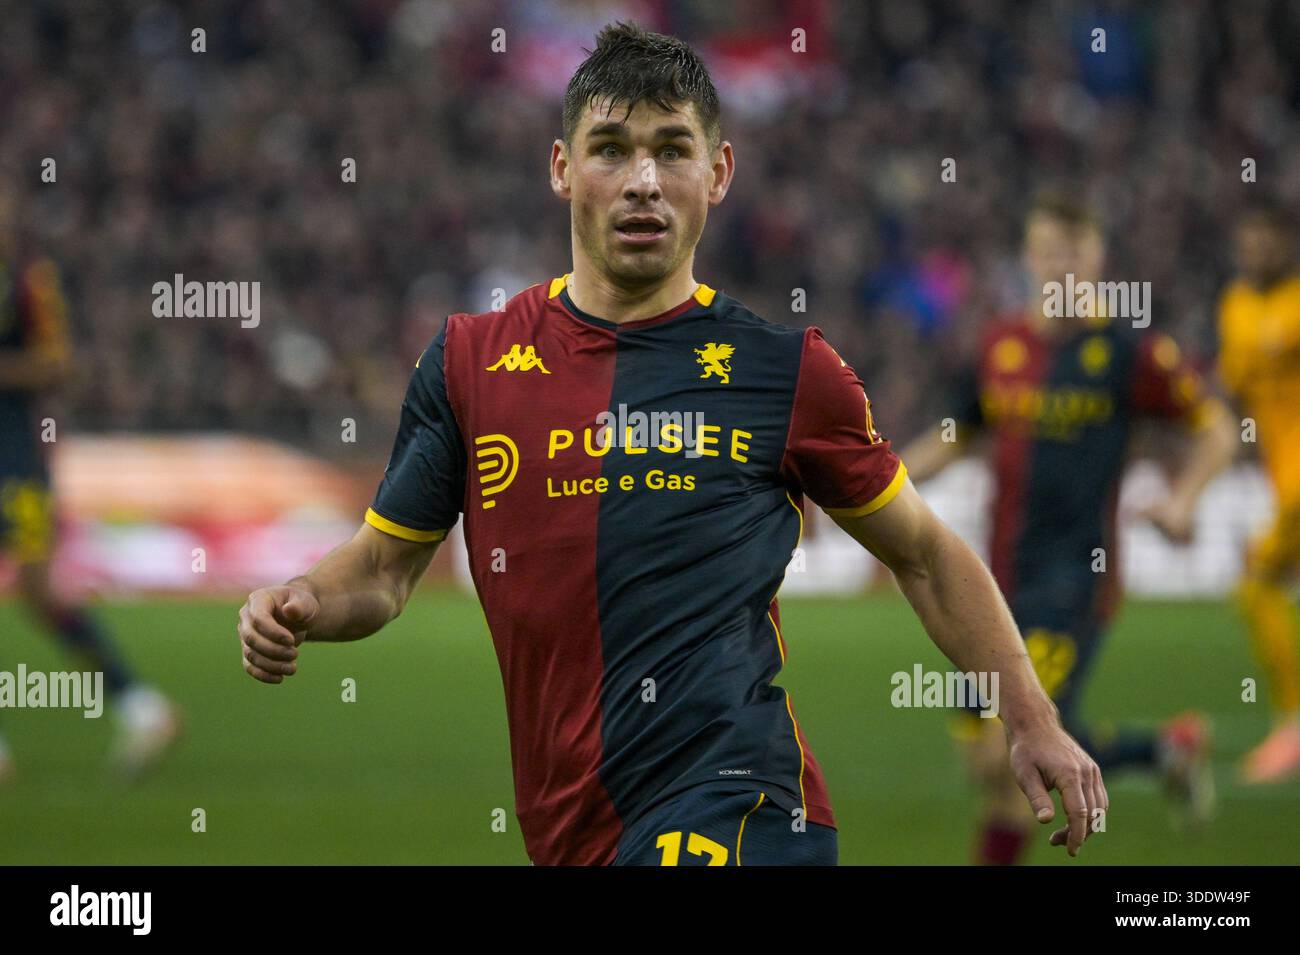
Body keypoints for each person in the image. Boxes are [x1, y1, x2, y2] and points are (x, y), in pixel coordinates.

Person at [238, 22, 1105, 866]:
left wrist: (1029, 714)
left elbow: (924, 554)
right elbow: (384, 571)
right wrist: (304, 599)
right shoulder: (470, 361)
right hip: (571, 828)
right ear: (561, 168)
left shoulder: (786, 373)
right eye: (611, 148)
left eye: (673, 149)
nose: (643, 180)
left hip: (739, 805)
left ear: (718, 172)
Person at [900, 196, 1237, 864]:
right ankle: (1162, 748)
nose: (1061, 266)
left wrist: (1183, 498)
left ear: (1097, 261)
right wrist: (881, 479)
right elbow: (956, 431)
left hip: (1076, 579)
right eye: (1049, 250)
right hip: (993, 579)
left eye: (1075, 252)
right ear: (1028, 257)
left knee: (1011, 749)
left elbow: (1218, 428)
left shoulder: (1128, 351)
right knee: (985, 758)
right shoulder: (1001, 343)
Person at [0, 193, 182, 784]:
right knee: (39, 591)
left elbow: (57, 363)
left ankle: (141, 706)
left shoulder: (29, 282)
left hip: (16, 459)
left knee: (38, 590)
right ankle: (142, 708)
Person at [1218, 204, 1300, 783]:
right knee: (1256, 588)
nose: (1254, 251)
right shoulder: (1236, 308)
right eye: (1246, 241)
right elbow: (1235, 395)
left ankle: (1292, 724)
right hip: (1282, 479)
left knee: (1256, 586)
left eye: (1264, 240)